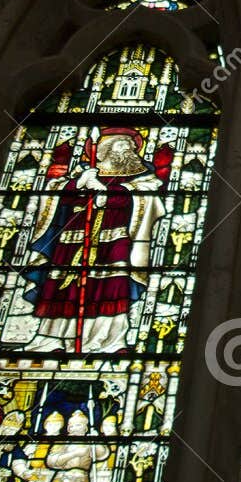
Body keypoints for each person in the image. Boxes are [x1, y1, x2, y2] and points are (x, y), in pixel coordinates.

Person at [24, 129, 166, 353]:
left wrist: (108, 191)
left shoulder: (141, 175)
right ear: (105, 149)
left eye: (130, 145)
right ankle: (53, 338)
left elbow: (145, 196)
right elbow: (58, 195)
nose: (128, 148)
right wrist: (78, 184)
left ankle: (110, 341)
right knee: (64, 286)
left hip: (115, 239)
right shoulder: (85, 171)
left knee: (112, 286)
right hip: (74, 239)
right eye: (122, 144)